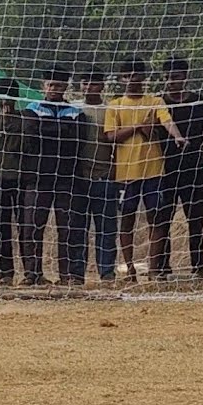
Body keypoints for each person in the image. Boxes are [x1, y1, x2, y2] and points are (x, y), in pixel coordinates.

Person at [104, 57, 184, 282]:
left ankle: (154, 268)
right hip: (126, 173)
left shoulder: (155, 101)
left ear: (143, 78)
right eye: (127, 76)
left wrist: (177, 136)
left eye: (136, 75)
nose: (132, 80)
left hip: (154, 171)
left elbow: (167, 121)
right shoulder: (115, 105)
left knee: (156, 219)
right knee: (127, 220)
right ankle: (129, 268)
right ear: (121, 79)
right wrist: (138, 127)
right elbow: (111, 136)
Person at [21, 66, 85, 285]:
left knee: (68, 228)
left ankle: (68, 275)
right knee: (32, 227)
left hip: (67, 178)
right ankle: (33, 274)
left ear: (65, 87)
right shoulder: (32, 109)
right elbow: (31, 134)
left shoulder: (75, 111)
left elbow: (77, 139)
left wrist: (47, 129)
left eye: (59, 85)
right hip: (38, 177)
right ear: (44, 86)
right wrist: (61, 129)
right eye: (51, 85)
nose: (54, 89)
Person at [160, 58, 203, 278]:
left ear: (185, 77)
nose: (171, 82)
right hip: (165, 170)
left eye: (176, 77)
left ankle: (199, 267)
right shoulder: (159, 103)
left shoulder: (200, 102)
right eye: (167, 78)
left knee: (196, 220)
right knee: (163, 219)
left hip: (193, 169)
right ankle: (162, 267)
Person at [74, 68, 118, 283]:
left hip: (104, 178)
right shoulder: (73, 109)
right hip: (78, 180)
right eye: (85, 82)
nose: (88, 87)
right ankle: (76, 274)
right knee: (77, 229)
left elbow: (117, 144)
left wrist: (114, 171)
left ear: (102, 86)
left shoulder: (110, 110)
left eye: (93, 83)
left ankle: (107, 272)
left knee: (106, 229)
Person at [0, 77, 25, 285]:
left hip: (20, 179)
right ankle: (5, 272)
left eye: (9, 96)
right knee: (0, 227)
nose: (6, 101)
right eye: (2, 97)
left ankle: (30, 272)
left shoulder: (24, 120)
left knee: (25, 226)